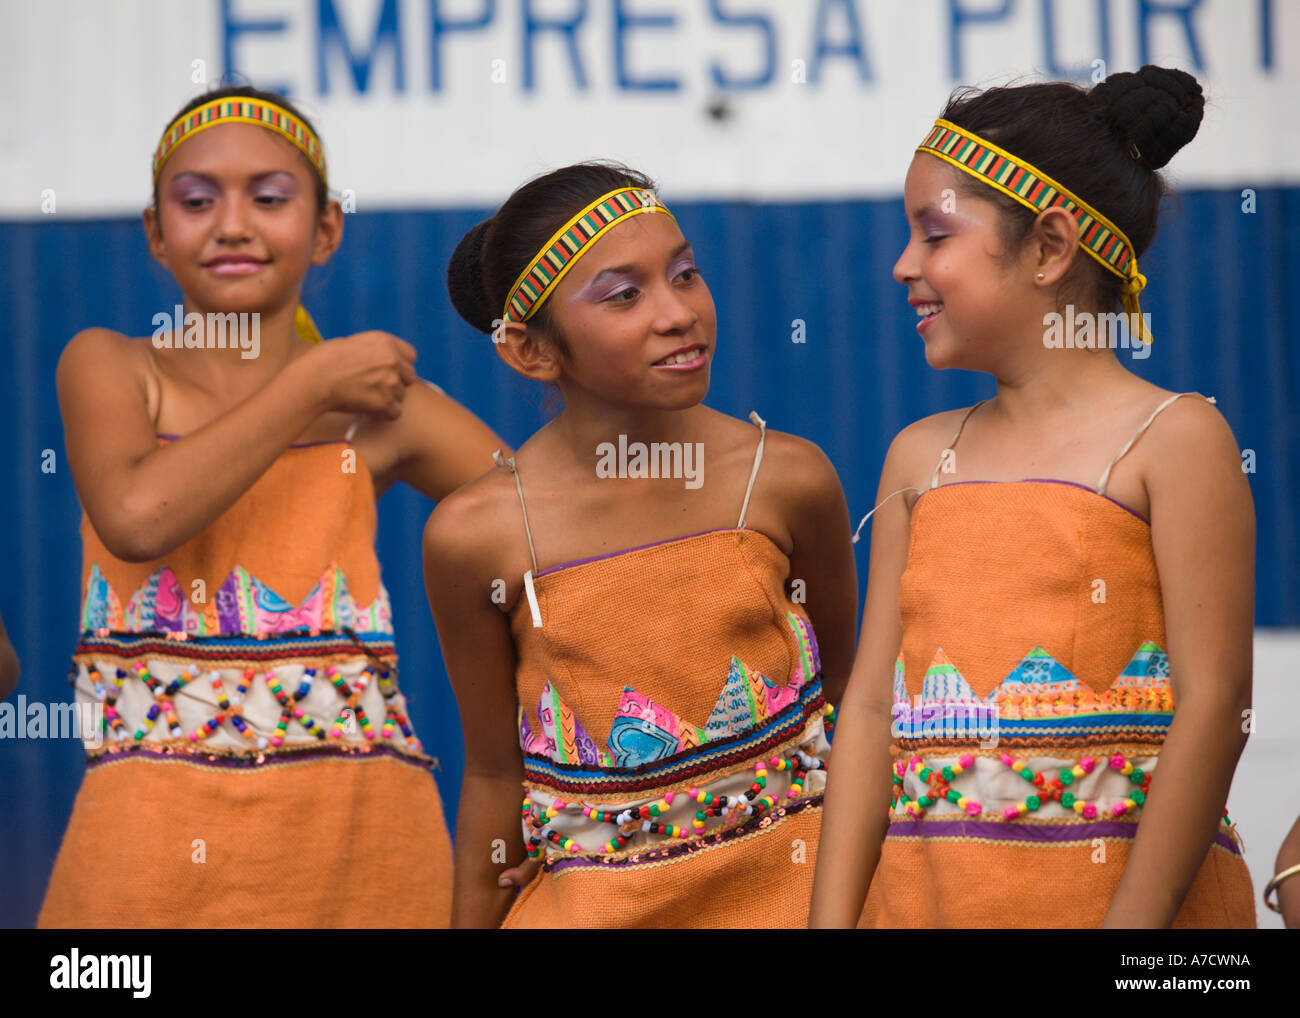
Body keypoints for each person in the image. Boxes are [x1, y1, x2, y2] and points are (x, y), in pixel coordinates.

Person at [39, 85, 505, 928]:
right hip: (144, 867)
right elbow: (136, 516)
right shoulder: (112, 366)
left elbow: (548, 532)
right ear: (154, 232)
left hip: (366, 857)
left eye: (270, 196)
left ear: (326, 230)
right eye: (195, 200)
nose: (231, 223)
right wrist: (310, 384)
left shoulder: (381, 410)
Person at [811, 66, 1256, 928]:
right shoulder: (919, 458)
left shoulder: (1177, 438)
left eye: (933, 235)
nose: (904, 266)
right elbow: (868, 708)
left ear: (1050, 250)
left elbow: (1216, 707)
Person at [423, 161, 857, 927]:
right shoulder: (478, 534)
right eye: (625, 295)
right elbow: (493, 774)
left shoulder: (785, 479)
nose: (678, 312)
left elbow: (856, 709)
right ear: (530, 351)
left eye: (685, 274)